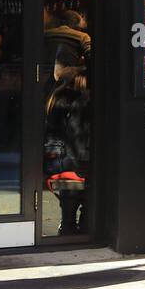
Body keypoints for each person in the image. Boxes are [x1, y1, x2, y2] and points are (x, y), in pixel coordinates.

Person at [44, 79, 92, 234]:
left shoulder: (58, 96)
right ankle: (78, 228)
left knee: (70, 202)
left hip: (64, 162)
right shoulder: (84, 101)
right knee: (85, 199)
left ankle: (68, 228)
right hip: (77, 162)